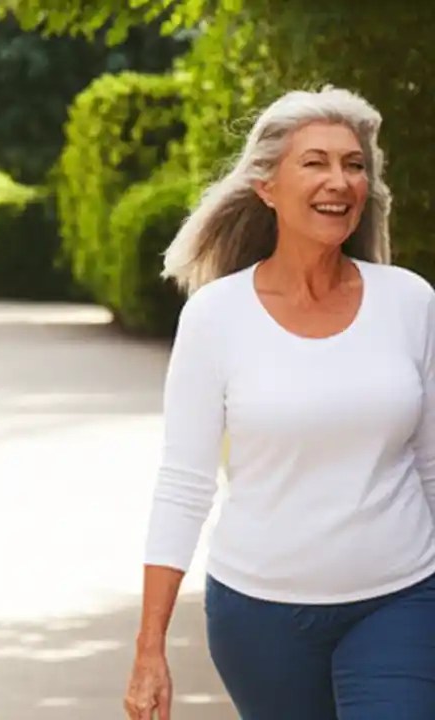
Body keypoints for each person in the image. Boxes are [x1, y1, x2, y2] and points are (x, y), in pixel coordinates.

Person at [126, 87, 435, 719]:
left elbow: (432, 464)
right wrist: (149, 645)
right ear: (266, 186)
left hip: (401, 597)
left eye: (354, 165)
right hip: (259, 614)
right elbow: (184, 484)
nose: (340, 180)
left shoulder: (410, 302)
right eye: (315, 162)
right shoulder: (216, 316)